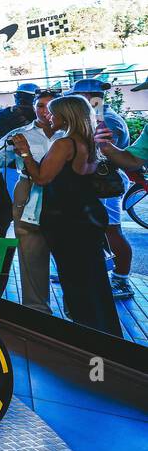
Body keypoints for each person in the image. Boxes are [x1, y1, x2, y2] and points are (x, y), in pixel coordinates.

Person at [15, 95, 120, 336]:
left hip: (65, 218)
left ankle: (85, 335)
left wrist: (24, 152)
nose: (49, 117)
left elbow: (41, 178)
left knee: (74, 278)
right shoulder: (88, 141)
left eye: (53, 112)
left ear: (66, 115)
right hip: (88, 214)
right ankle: (105, 332)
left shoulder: (64, 143)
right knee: (93, 278)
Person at [0, 89, 58, 314]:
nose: (46, 111)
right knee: (31, 251)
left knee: (69, 249)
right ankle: (36, 310)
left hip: (64, 192)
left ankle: (77, 310)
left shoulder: (70, 133)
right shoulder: (20, 134)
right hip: (28, 188)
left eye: (51, 105)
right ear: (34, 108)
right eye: (41, 105)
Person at [71, 78, 133, 300]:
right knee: (99, 232)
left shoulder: (105, 118)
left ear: (87, 97)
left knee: (112, 231)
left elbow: (105, 152)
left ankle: (122, 280)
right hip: (97, 183)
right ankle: (96, 273)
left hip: (106, 184)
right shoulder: (97, 115)